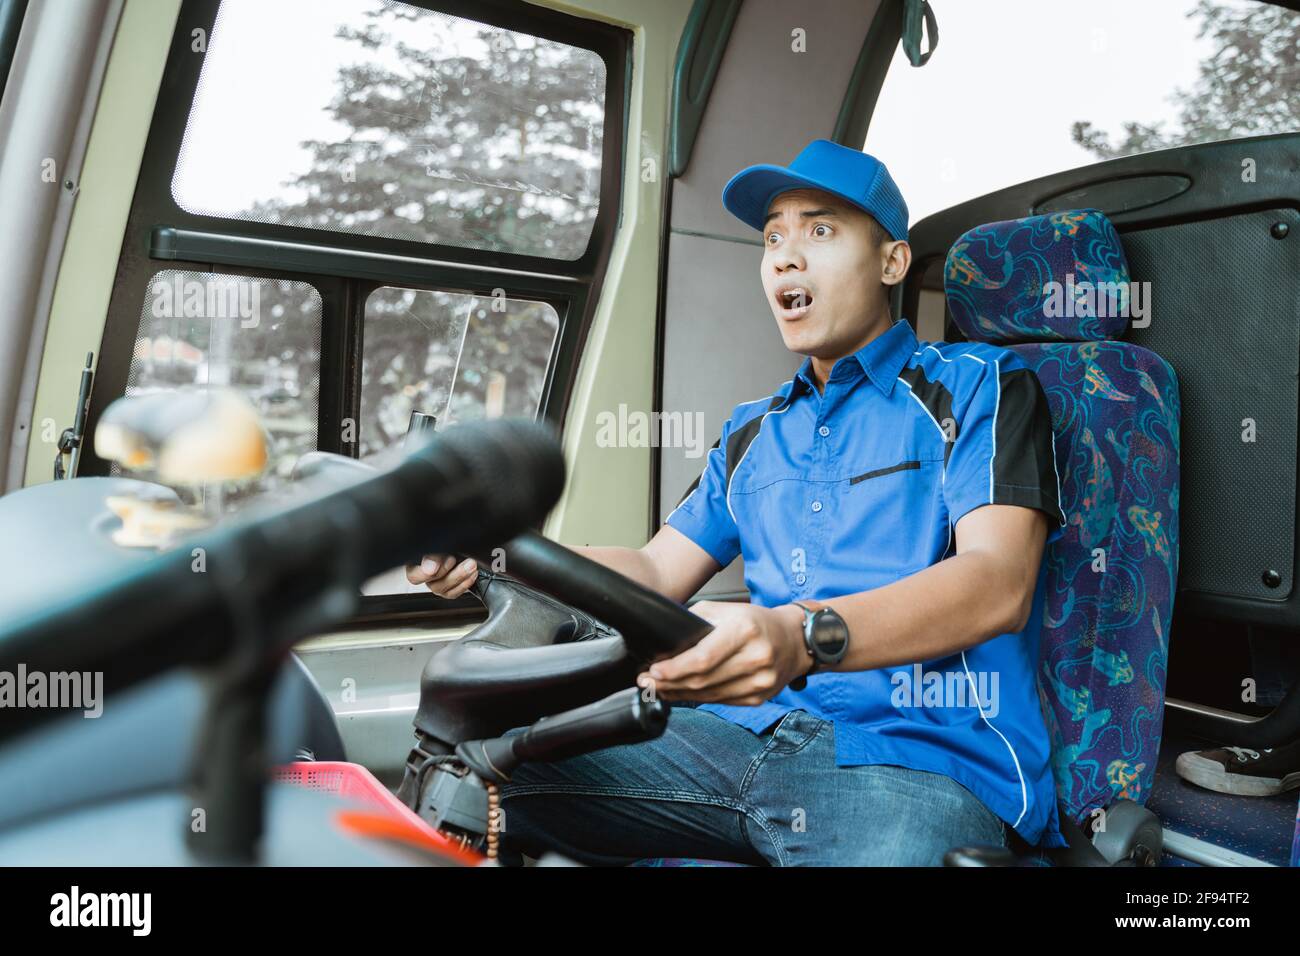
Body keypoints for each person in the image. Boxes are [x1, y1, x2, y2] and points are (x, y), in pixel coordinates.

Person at [407, 139, 1069, 865]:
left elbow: (997, 583)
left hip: (917, 762)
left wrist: (798, 637)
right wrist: (496, 554)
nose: (786, 256)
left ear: (891, 263)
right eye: (773, 237)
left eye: (819, 230)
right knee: (476, 767)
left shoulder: (981, 386)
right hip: (733, 738)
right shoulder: (755, 429)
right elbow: (655, 571)